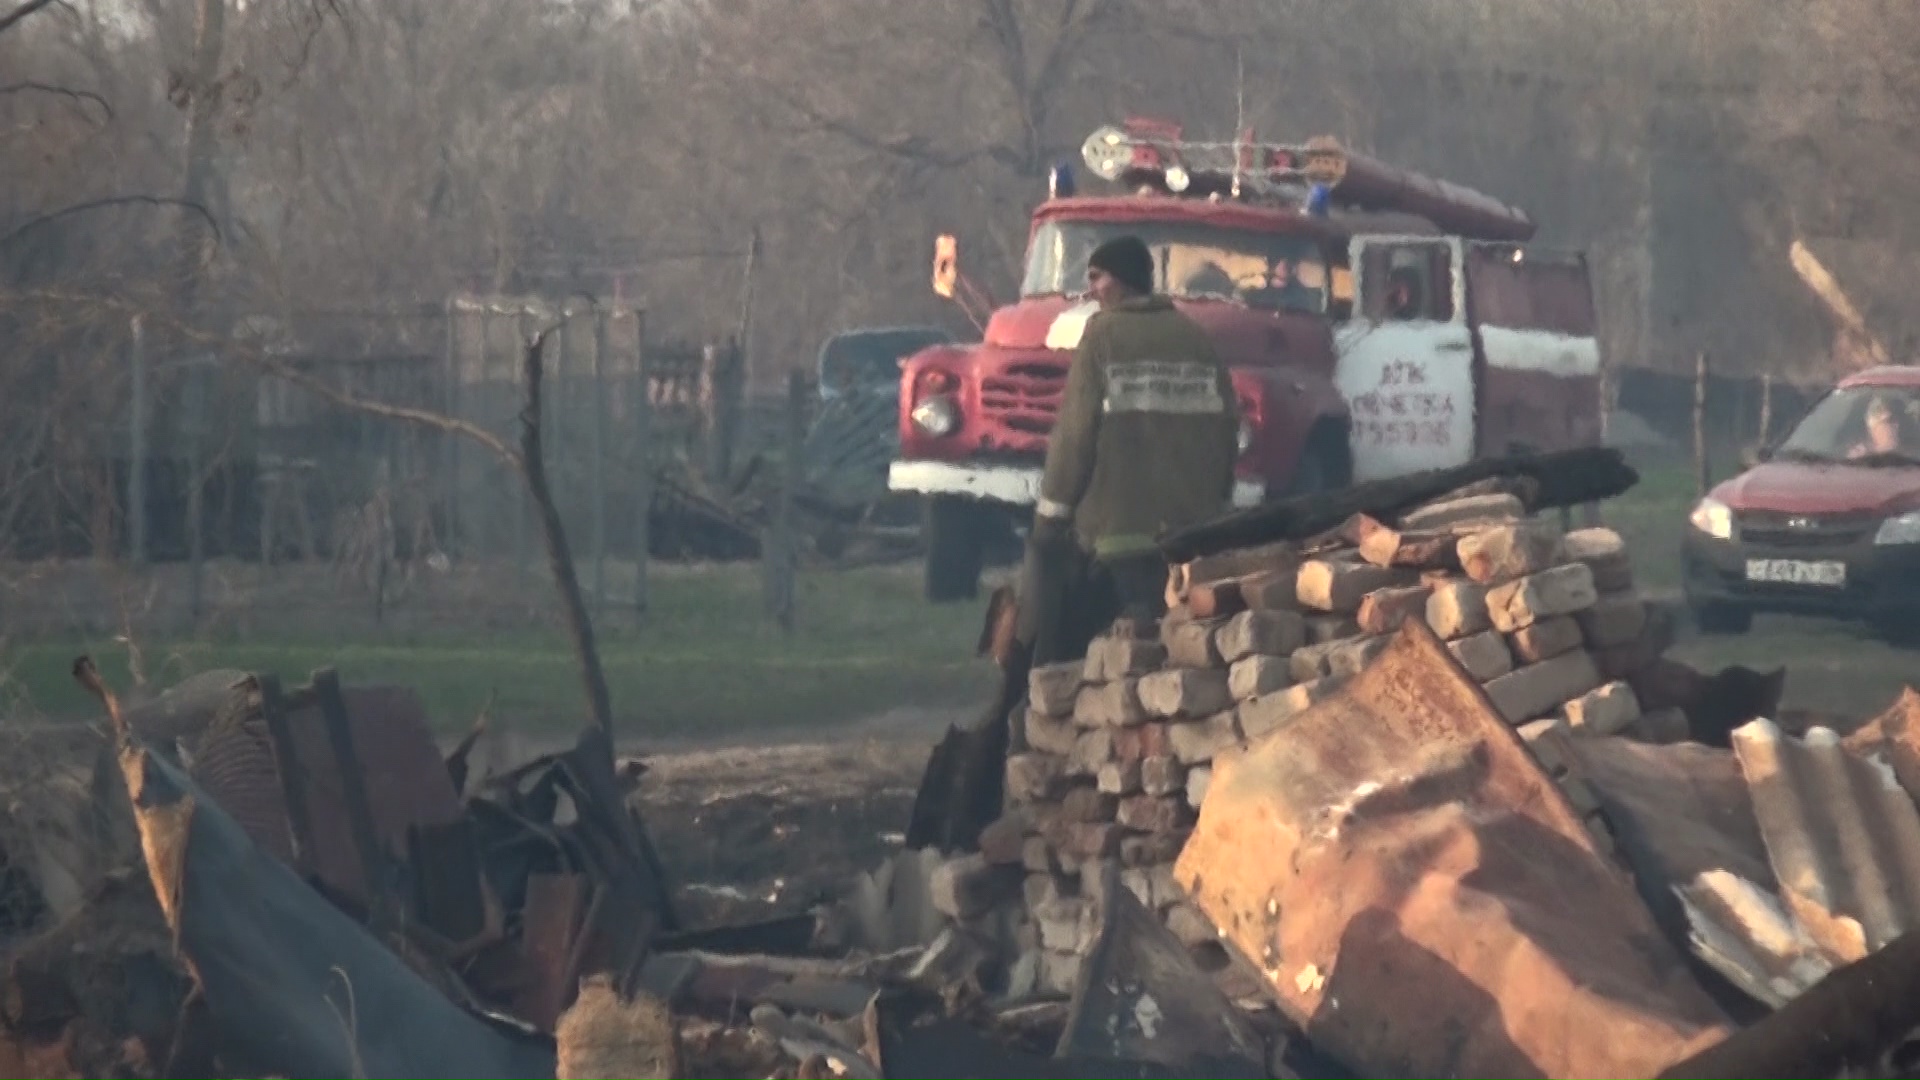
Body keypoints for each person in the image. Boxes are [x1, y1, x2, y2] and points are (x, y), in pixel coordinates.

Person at [1018, 235, 1240, 665]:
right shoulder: (1195, 338)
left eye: (1096, 277)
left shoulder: (1103, 336)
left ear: (1120, 280)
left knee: (1110, 659)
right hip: (1191, 539)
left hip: (1118, 540)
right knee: (1178, 655)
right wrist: (1216, 505)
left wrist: (1051, 518)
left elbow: (1075, 435)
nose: (1092, 290)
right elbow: (1227, 430)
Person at [1849, 394, 1914, 458]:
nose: (1897, 425)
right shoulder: (1858, 458)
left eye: (1897, 419)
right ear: (1872, 427)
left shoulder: (1910, 457)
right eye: (1889, 421)